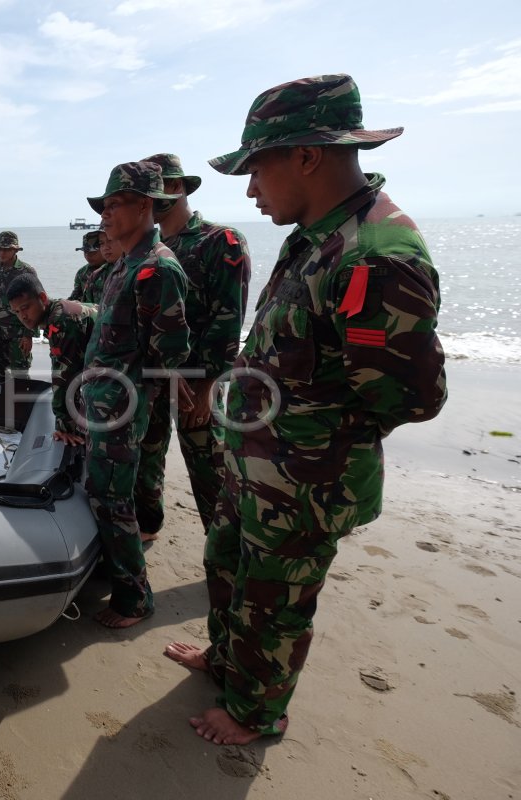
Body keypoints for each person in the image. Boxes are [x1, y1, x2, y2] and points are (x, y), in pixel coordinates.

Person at [163, 74, 447, 746]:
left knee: (276, 602)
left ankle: (257, 713)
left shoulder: (375, 256)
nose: (251, 188)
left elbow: (411, 396)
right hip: (260, 463)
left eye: (256, 167)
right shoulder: (318, 233)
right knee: (228, 566)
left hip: (306, 478)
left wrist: (308, 431)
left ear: (306, 156)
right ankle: (226, 662)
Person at [80, 162, 189, 628]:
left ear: (145, 205)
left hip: (123, 410)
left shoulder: (157, 268)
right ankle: (114, 570)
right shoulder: (121, 265)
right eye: (102, 207)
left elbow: (169, 352)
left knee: (112, 497)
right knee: (103, 492)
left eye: (113, 206)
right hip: (101, 403)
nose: (105, 216)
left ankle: (133, 598)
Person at [134, 153, 251, 542]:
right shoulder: (145, 248)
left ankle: (226, 557)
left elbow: (229, 319)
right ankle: (148, 527)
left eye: (160, 188)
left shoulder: (219, 241)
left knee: (209, 469)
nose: (152, 198)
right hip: (152, 377)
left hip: (199, 379)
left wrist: (209, 387)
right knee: (146, 460)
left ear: (180, 187)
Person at [6, 273, 96, 445]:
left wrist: (64, 429)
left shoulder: (62, 321)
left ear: (43, 298)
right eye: (17, 311)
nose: (22, 316)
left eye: (25, 308)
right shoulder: (57, 312)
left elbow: (64, 377)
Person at [0, 231, 39, 383]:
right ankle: (2, 405)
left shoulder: (26, 271)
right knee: (0, 374)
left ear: (15, 250)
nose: (2, 253)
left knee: (20, 375)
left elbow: (37, 304)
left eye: (6, 249)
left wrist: (29, 334)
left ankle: (22, 406)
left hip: (18, 333)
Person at [69, 229, 106, 303]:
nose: (88, 256)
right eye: (85, 252)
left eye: (92, 253)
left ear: (103, 249)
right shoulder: (82, 272)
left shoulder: (115, 270)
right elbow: (76, 296)